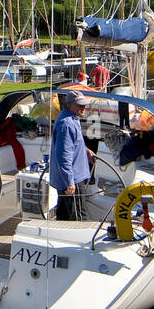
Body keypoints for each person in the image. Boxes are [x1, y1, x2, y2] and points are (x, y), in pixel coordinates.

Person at [50, 91, 97, 220]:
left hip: (67, 179)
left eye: (84, 105)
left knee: (64, 215)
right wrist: (69, 182)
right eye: (79, 105)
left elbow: (72, 143)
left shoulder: (70, 118)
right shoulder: (67, 124)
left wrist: (85, 150)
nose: (83, 108)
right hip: (72, 181)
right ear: (70, 105)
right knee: (79, 217)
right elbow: (63, 156)